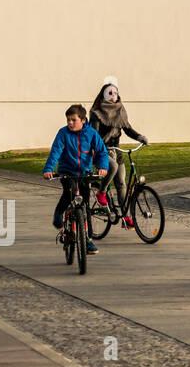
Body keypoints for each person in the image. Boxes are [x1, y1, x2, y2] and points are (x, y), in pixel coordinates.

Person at [42, 104, 110, 254]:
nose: (70, 123)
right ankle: (58, 213)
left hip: (85, 174)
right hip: (67, 172)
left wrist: (103, 167)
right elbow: (55, 152)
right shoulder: (63, 133)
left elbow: (101, 152)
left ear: (83, 120)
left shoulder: (91, 133)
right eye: (68, 120)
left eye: (73, 120)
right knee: (69, 193)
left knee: (85, 206)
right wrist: (48, 170)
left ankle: (88, 240)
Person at [89, 83, 149, 226]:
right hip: (102, 151)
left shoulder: (120, 110)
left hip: (117, 150)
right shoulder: (97, 113)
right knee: (113, 167)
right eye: (109, 93)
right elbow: (95, 137)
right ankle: (101, 193)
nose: (113, 96)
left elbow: (127, 128)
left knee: (122, 184)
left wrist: (140, 137)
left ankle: (126, 217)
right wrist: (110, 134)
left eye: (115, 93)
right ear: (103, 95)